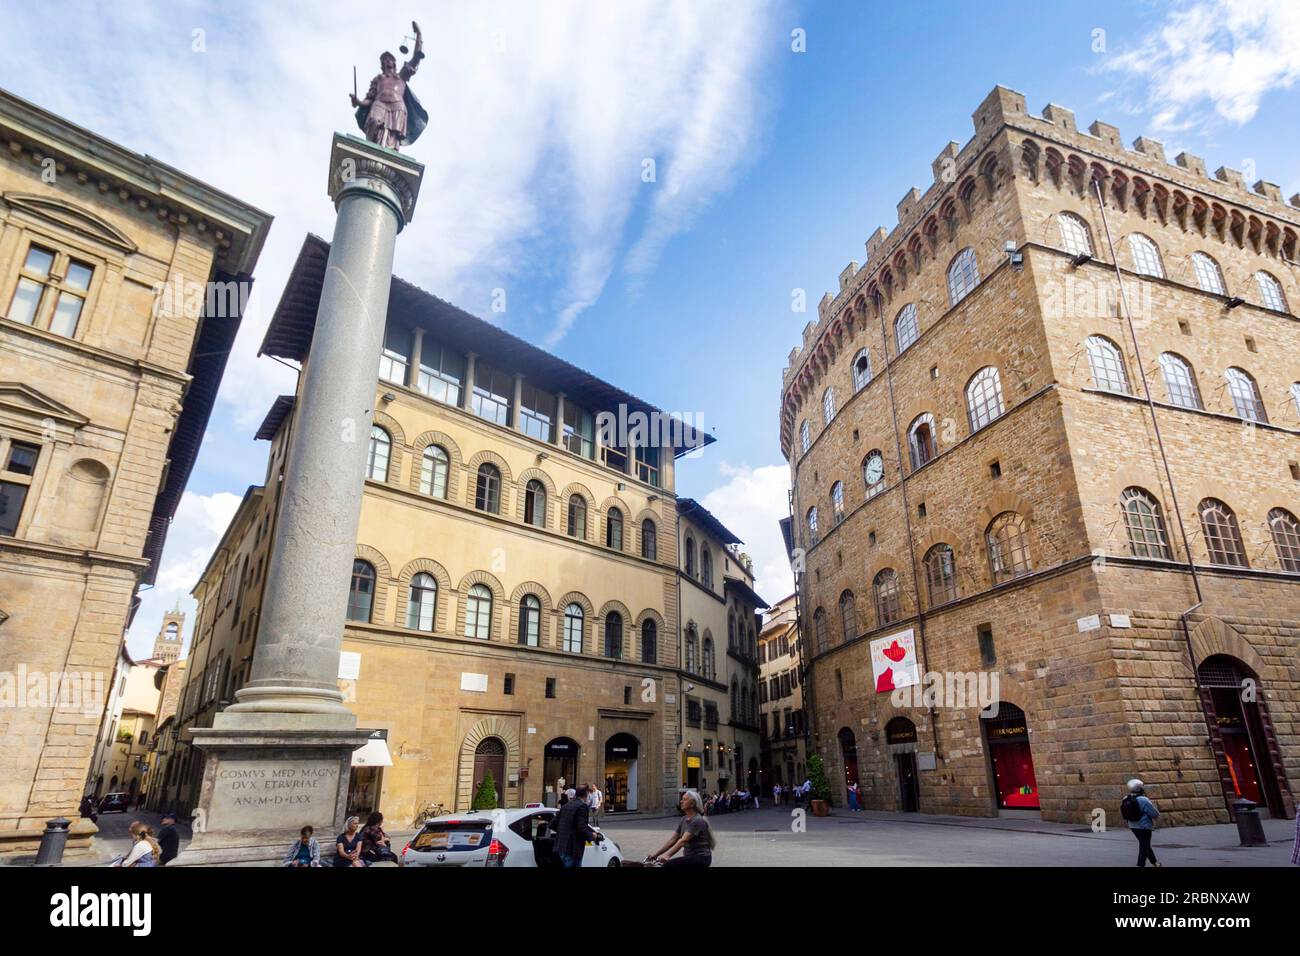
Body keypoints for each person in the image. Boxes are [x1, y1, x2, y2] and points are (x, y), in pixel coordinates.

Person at [649, 790, 715, 867]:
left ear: (692, 804)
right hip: (690, 857)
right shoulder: (684, 819)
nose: (681, 801)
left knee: (669, 865)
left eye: (684, 799)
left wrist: (667, 855)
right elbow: (672, 840)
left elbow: (683, 841)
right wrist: (656, 854)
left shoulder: (697, 820)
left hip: (701, 858)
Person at [554, 784, 596, 868]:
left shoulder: (566, 805)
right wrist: (592, 835)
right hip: (573, 849)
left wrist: (565, 832)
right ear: (586, 794)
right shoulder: (582, 806)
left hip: (561, 847)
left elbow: (553, 823)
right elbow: (581, 828)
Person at [1123, 779, 1161, 868]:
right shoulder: (1143, 799)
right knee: (1144, 846)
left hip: (1133, 826)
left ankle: (1155, 863)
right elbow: (1154, 814)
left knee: (1145, 844)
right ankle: (1140, 865)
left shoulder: (1126, 798)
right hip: (1144, 826)